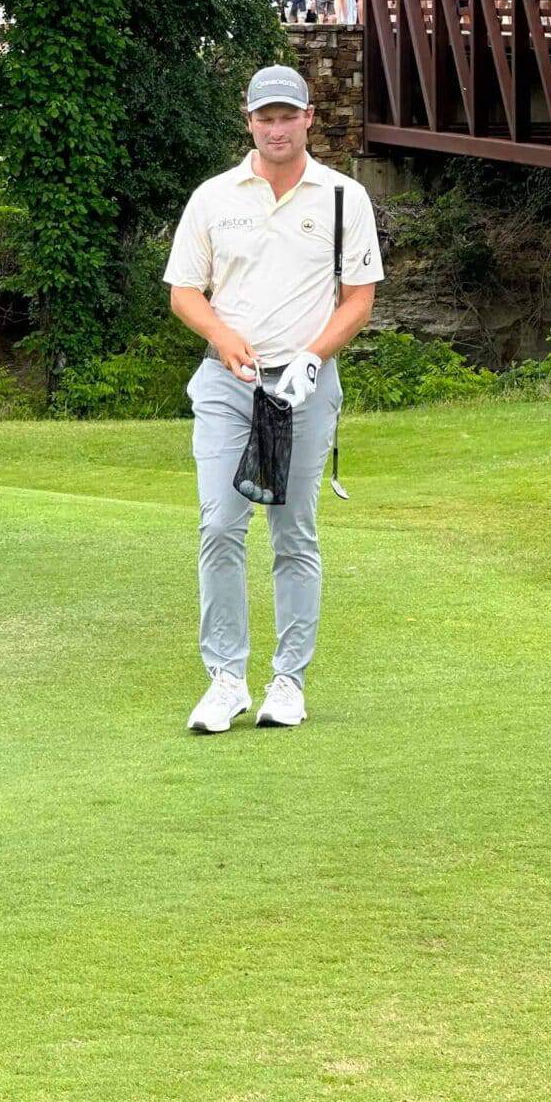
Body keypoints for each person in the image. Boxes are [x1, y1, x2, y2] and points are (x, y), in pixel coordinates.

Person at [165, 65, 384, 735]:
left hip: (304, 384)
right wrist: (224, 337)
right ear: (249, 120)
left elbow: (359, 300)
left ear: (309, 118)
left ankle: (287, 681)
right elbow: (184, 292)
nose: (277, 128)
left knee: (293, 532)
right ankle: (226, 679)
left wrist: (315, 357)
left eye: (289, 115)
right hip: (228, 384)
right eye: (266, 117)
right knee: (220, 526)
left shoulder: (344, 198)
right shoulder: (213, 198)